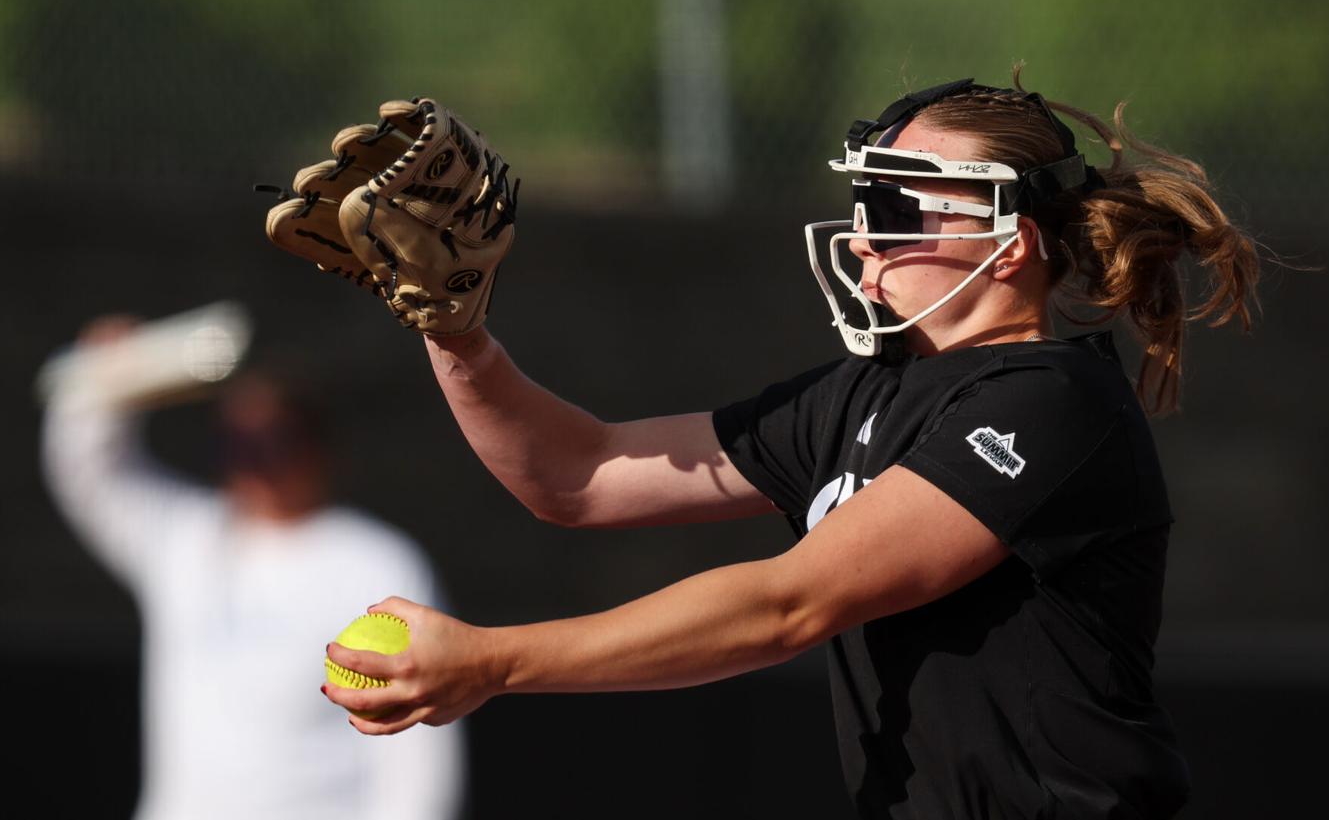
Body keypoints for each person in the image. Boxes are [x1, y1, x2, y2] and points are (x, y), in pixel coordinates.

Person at [320, 74, 1259, 819]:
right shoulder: (859, 394)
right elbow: (578, 474)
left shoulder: (1054, 403)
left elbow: (787, 604)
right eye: (864, 203)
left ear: (1007, 245)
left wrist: (494, 661)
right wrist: (453, 331)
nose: (861, 238)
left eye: (897, 209)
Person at [41, 319, 467, 820]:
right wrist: (113, 371)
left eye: (274, 440)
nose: (254, 462)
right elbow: (87, 471)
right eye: (237, 443)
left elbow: (418, 764)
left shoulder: (377, 562)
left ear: (319, 447)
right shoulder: (185, 538)